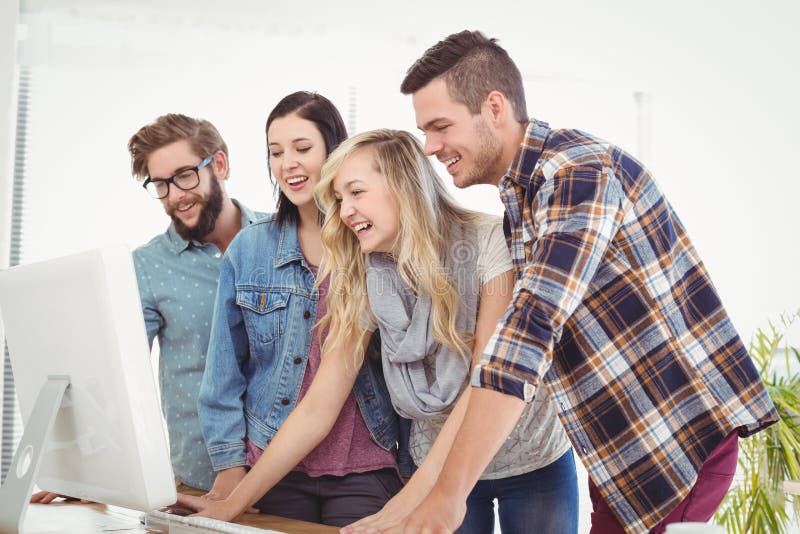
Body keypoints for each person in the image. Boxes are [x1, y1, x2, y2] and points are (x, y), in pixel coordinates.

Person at [396, 30, 779, 534]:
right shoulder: (525, 198)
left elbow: (527, 335)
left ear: (494, 107)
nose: (430, 147)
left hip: (674, 448)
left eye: (440, 126)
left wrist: (449, 496)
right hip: (623, 453)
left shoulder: (579, 174)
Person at [319, 129, 577, 534]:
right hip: (434, 463)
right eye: (339, 199)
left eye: (356, 192)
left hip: (529, 456)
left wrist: (409, 498)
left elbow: (485, 379)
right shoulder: (364, 270)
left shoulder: (488, 239)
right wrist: (232, 501)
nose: (345, 211)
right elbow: (320, 402)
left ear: (403, 187)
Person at [180, 91, 403, 527]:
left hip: (363, 463)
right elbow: (223, 373)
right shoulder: (249, 249)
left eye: (302, 148)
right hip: (271, 464)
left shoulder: (372, 245)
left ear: (334, 152)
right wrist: (230, 466)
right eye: (276, 152)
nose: (288, 164)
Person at [31, 114, 264, 503]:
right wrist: (87, 473)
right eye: (161, 184)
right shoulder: (148, 267)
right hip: (199, 483)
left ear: (220, 164)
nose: (175, 196)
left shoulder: (281, 238)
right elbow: (115, 378)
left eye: (185, 176)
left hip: (292, 481)